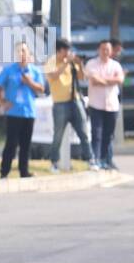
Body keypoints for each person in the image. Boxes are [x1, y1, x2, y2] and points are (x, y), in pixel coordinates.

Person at [0, 42, 45, 179]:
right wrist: (2, 102)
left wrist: (30, 82)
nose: (22, 54)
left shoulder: (35, 71)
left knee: (26, 144)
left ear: (29, 54)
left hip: (28, 112)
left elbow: (41, 89)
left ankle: (24, 171)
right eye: (19, 51)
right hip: (13, 112)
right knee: (11, 143)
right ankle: (4, 172)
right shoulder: (9, 70)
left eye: (24, 51)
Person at [43, 38, 93, 171]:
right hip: (60, 103)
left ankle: (90, 160)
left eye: (69, 50)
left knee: (84, 131)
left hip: (75, 100)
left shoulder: (71, 63)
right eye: (66, 50)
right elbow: (53, 76)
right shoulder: (51, 62)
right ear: (59, 50)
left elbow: (83, 77)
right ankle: (54, 162)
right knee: (58, 135)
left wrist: (80, 64)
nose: (68, 53)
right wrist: (66, 63)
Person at [85, 39, 125, 171]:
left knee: (108, 134)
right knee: (96, 133)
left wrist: (103, 80)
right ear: (98, 50)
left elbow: (120, 79)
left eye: (108, 49)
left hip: (112, 105)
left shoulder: (115, 65)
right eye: (103, 49)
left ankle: (104, 159)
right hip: (96, 104)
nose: (105, 52)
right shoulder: (92, 64)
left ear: (111, 51)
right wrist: (110, 80)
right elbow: (94, 80)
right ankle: (95, 159)